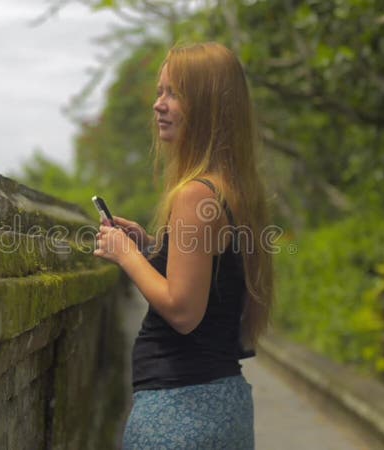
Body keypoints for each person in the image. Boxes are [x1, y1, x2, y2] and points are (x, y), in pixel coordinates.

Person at [93, 42, 273, 450]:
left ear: (209, 106)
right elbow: (214, 279)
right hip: (223, 404)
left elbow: (183, 310)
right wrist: (157, 249)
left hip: (180, 413)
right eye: (160, 91)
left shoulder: (195, 194)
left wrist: (127, 255)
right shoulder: (234, 190)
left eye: (174, 93)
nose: (159, 104)